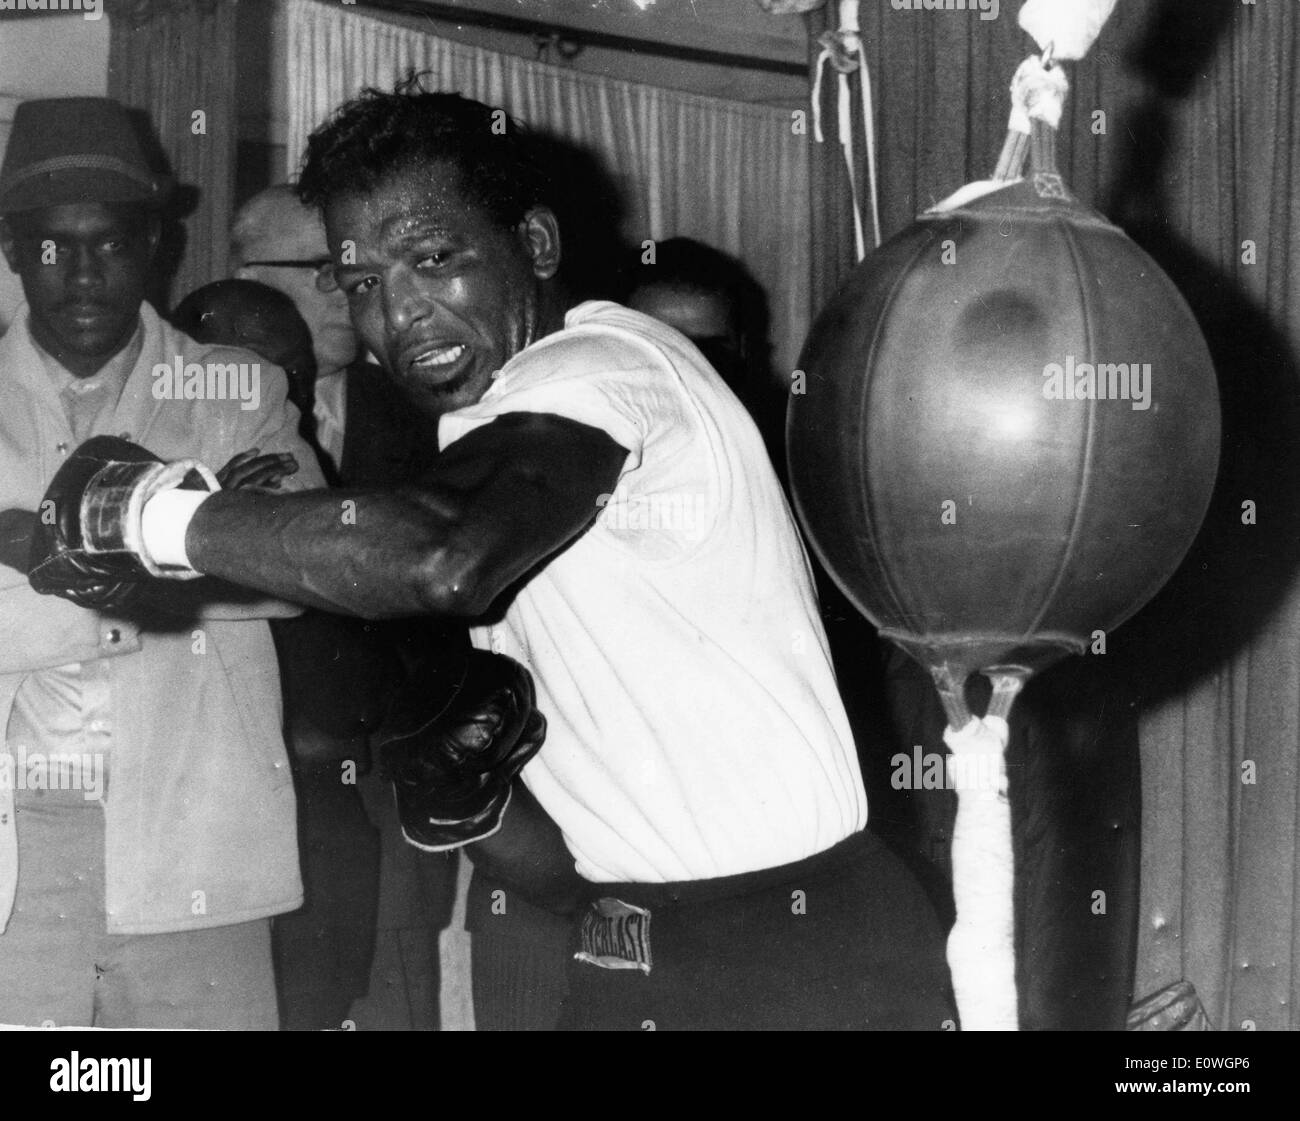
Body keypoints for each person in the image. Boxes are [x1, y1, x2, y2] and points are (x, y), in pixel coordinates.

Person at [25, 82, 954, 1030]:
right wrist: (467, 788)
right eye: (364, 285)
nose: (404, 315)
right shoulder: (493, 431)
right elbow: (563, 849)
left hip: (797, 951)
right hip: (635, 939)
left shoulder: (600, 367)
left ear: (537, 246)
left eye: (433, 259)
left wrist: (144, 515)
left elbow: (439, 555)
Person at [0, 96, 323, 1028]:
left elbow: (289, 572)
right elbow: (234, 564)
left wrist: (27, 548)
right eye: (53, 246)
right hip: (21, 850)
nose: (83, 273)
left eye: (111, 241)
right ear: (15, 250)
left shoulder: (238, 388)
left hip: (199, 837)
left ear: (155, 245)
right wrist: (192, 533)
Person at [171, 277, 387, 1031]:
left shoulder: (296, 463)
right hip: (191, 824)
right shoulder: (130, 454)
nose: (279, 393)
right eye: (257, 368)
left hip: (323, 798)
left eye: (295, 373)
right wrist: (203, 517)